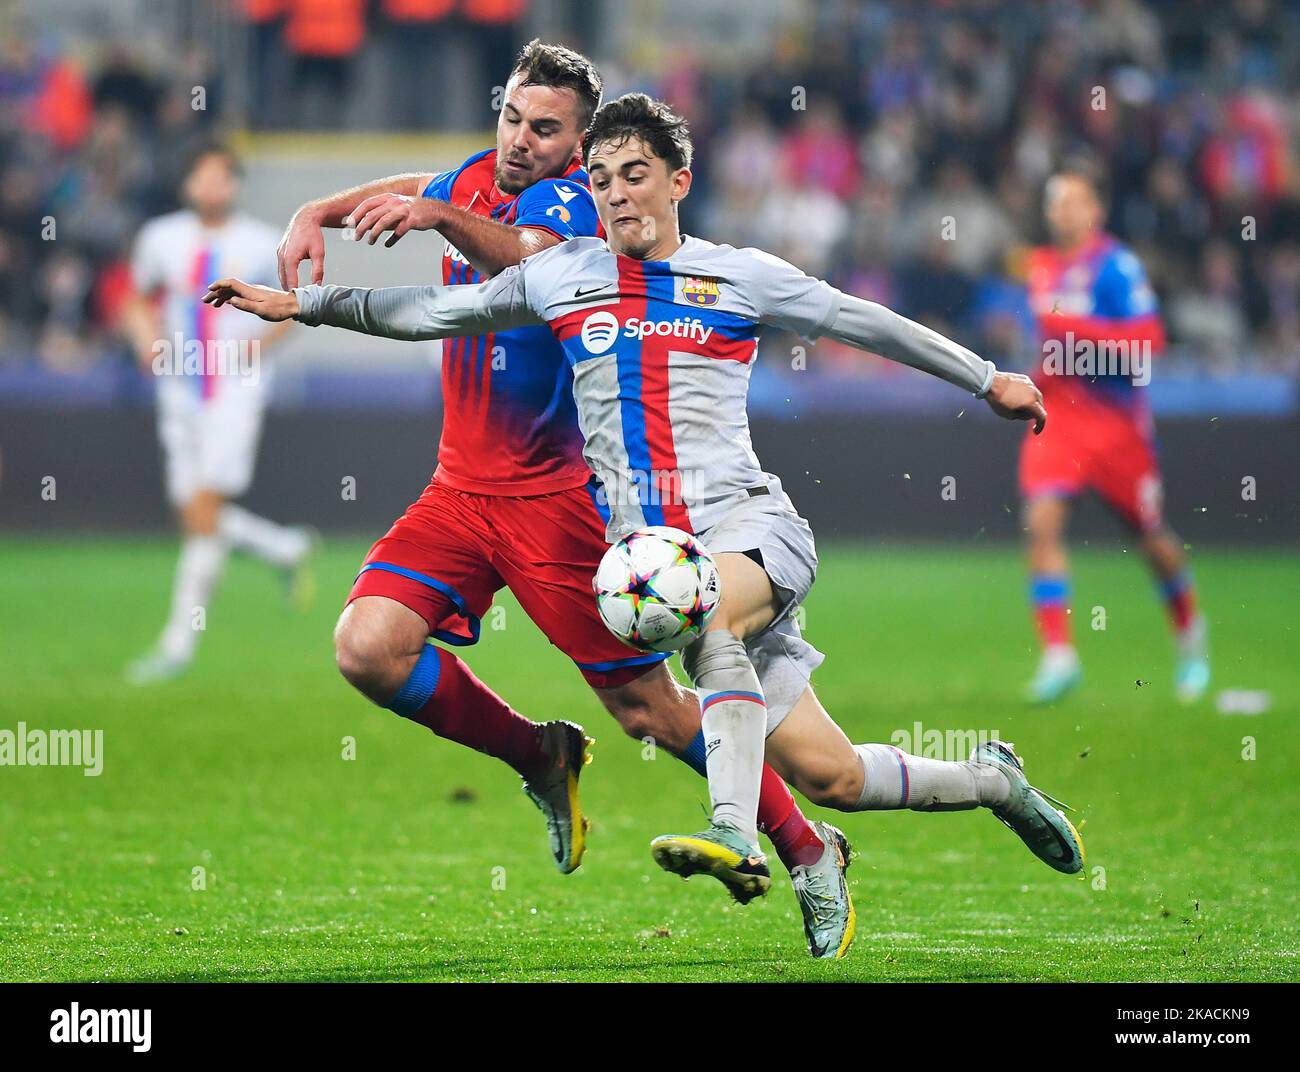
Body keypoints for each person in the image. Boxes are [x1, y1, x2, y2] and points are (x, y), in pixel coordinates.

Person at [206, 93, 1088, 959]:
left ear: (678, 182)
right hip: (652, 560)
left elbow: (866, 323)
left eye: (636, 175)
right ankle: (990, 782)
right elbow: (434, 314)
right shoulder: (564, 277)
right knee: (835, 776)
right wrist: (309, 307)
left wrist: (987, 379)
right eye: (602, 178)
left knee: (707, 626)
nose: (618, 193)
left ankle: (734, 834)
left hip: (749, 531)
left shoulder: (737, 274)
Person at [274, 42, 850, 957]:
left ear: (582, 149)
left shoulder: (580, 217)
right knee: (368, 649)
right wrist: (318, 208)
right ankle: (539, 755)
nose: (518, 141)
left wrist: (434, 215)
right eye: (511, 116)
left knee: (650, 712)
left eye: (545, 131)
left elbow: (521, 252)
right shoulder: (478, 176)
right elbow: (440, 179)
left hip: (556, 500)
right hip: (459, 488)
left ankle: (808, 847)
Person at [120, 143, 315, 685]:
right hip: (179, 387)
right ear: (188, 185)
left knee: (204, 508)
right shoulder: (161, 238)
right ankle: (285, 546)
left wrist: (259, 349)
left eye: (221, 177)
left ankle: (177, 645)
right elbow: (137, 298)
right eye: (201, 177)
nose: (211, 186)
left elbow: (297, 303)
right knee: (192, 514)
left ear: (235, 186)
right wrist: (145, 339)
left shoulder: (260, 241)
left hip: (234, 389)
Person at [1020, 168, 1209, 704]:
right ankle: (1059, 655)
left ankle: (1190, 633)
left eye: (1074, 201)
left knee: (1151, 539)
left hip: (1117, 425)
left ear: (1095, 210)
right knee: (1042, 522)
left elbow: (1149, 341)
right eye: (1055, 202)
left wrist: (1076, 331)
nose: (1063, 211)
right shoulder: (1040, 267)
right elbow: (1048, 338)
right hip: (1058, 415)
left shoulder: (1117, 266)